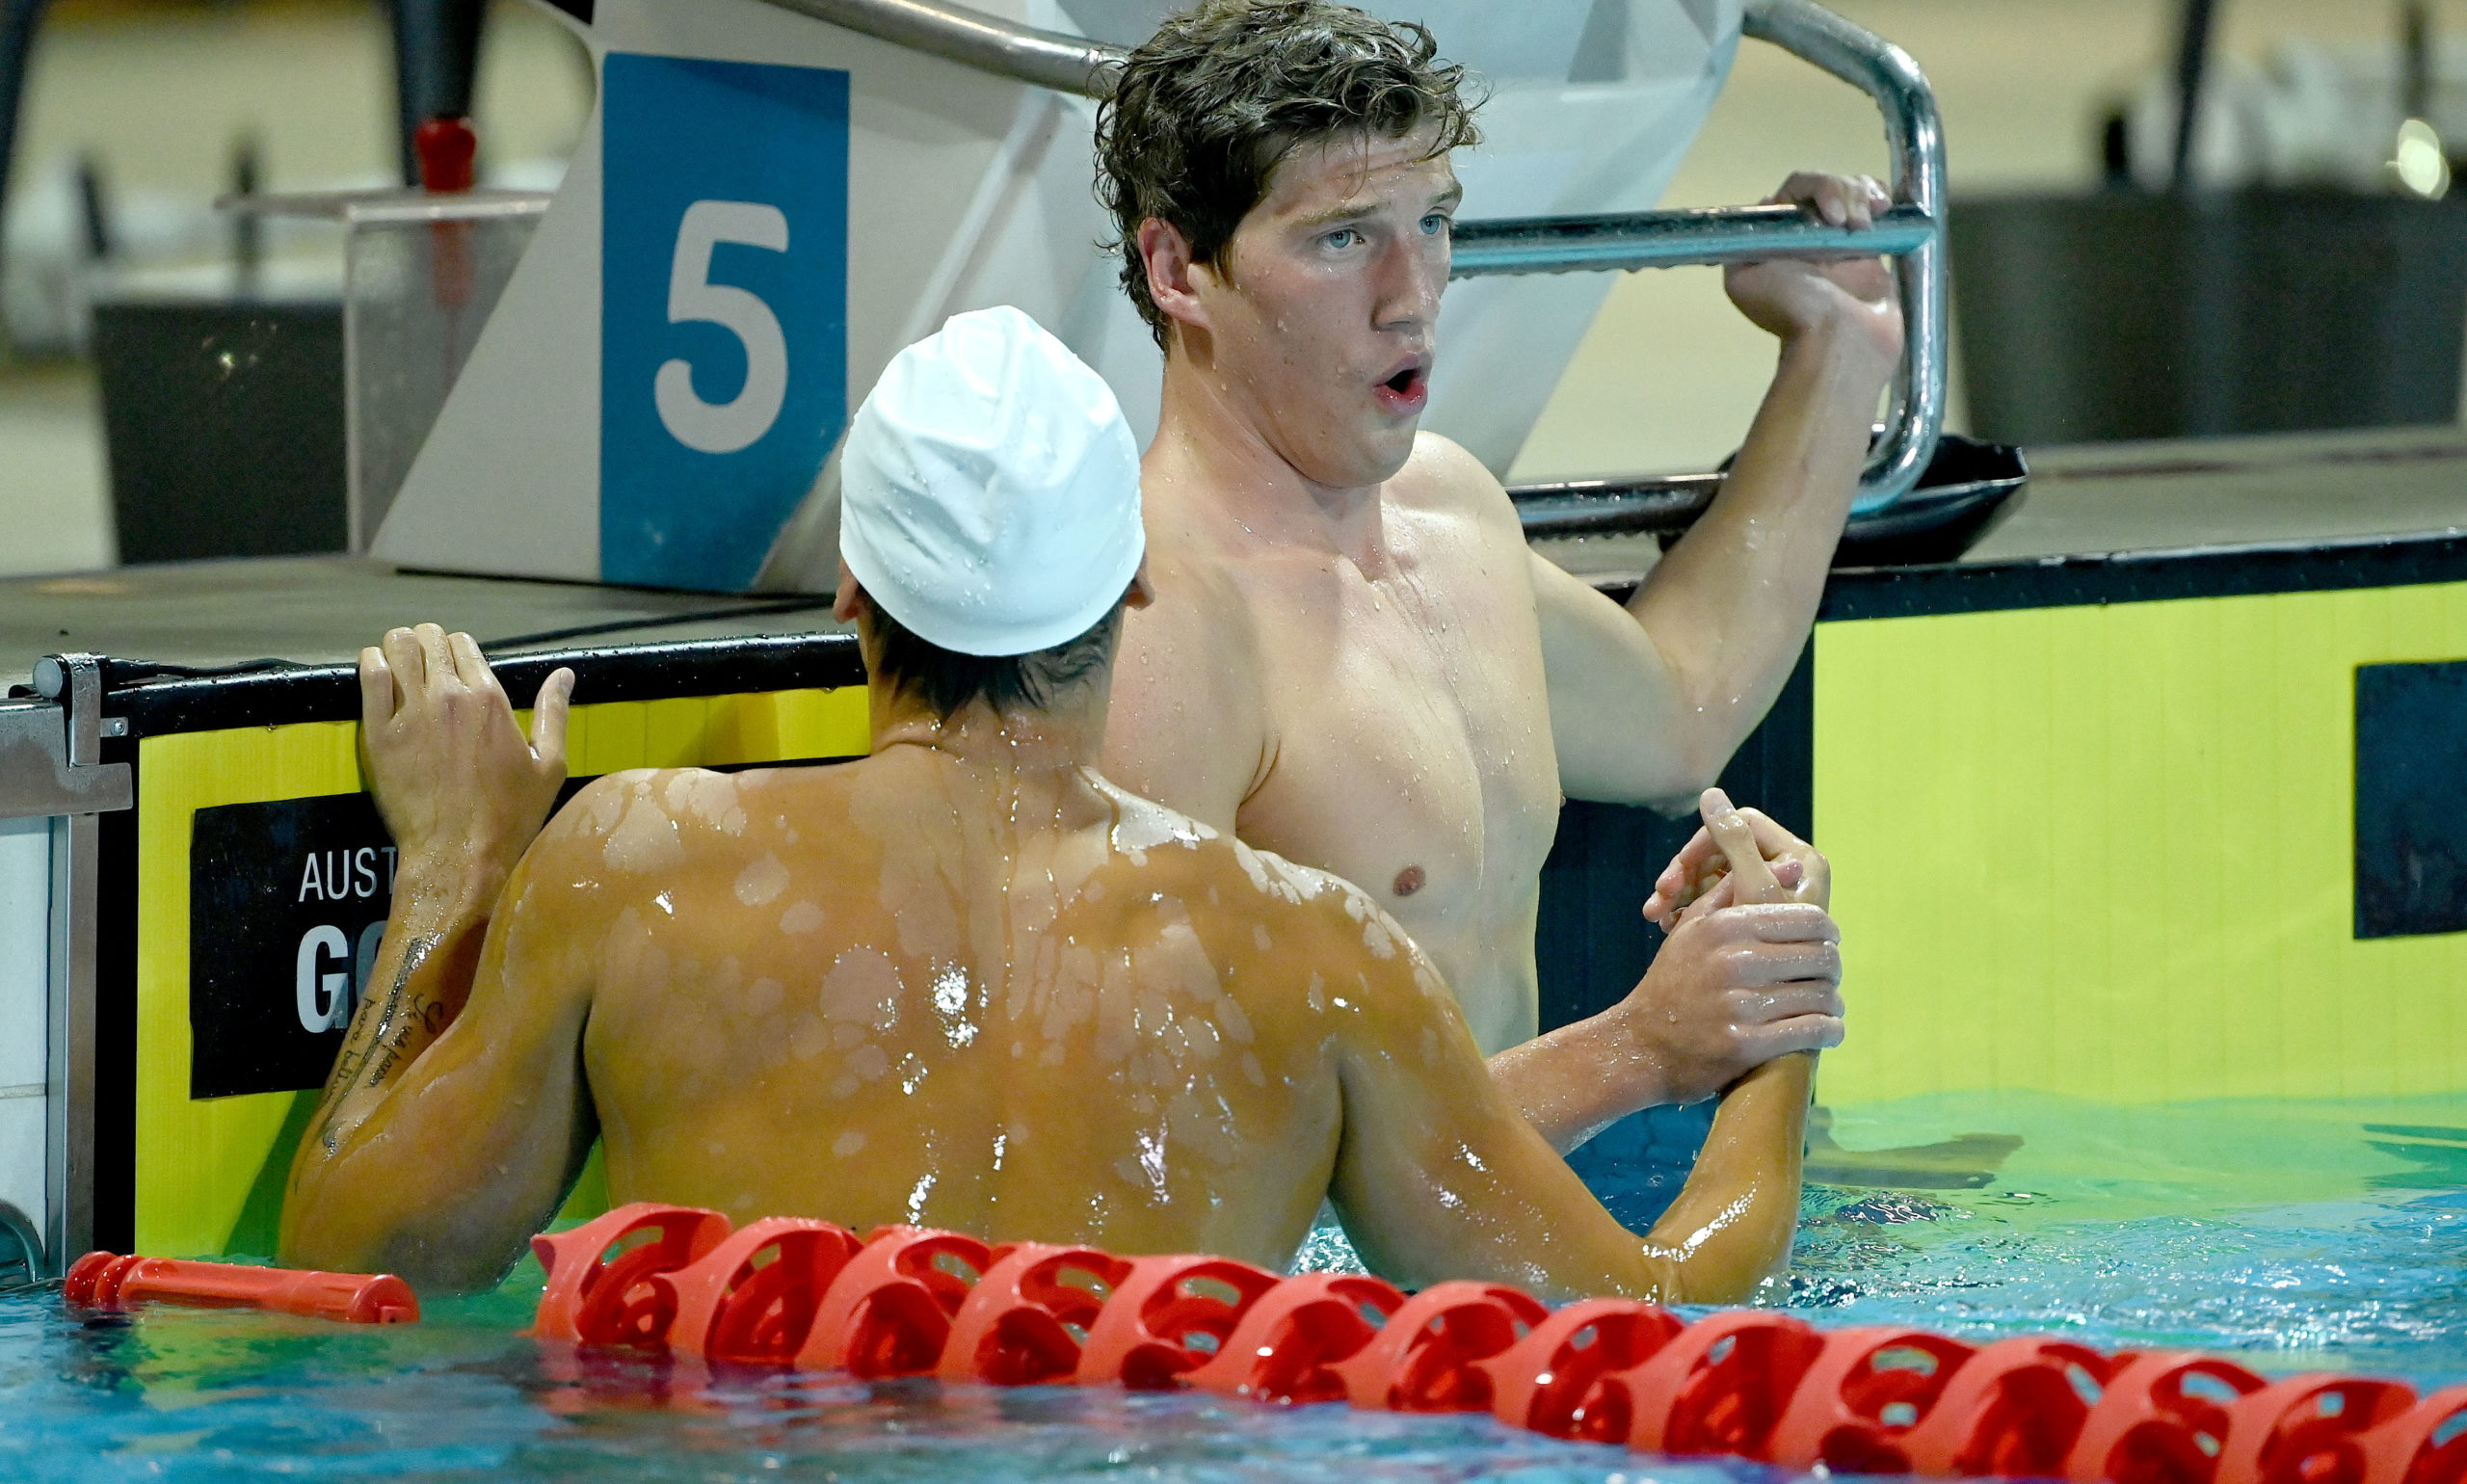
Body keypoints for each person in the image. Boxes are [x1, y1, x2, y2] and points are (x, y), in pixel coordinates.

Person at [279, 308, 1830, 1299]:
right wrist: (1771, 1033)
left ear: (852, 588)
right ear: (1132, 584)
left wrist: (455, 864)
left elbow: (352, 1261)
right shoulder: (1315, 951)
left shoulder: (638, 866)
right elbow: (1651, 1309)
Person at [1093, 0, 1895, 1153]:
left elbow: (1681, 712)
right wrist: (1637, 1051)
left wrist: (1840, 353)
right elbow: (1165, 1144)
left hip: (1507, 1236)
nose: (1412, 296)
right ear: (1177, 272)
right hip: (1327, 1276)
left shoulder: (1451, 513)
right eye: (1342, 238)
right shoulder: (1159, 621)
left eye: (1431, 222)